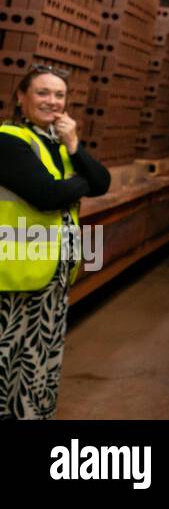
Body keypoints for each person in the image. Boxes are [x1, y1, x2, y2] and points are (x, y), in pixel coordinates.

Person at [0, 66, 111, 419]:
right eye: (42, 93)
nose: (52, 101)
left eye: (59, 95)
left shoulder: (57, 145)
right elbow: (47, 195)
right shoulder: (9, 140)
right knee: (6, 363)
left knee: (39, 365)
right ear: (21, 97)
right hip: (11, 277)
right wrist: (80, 182)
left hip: (50, 279)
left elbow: (102, 182)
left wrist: (75, 146)